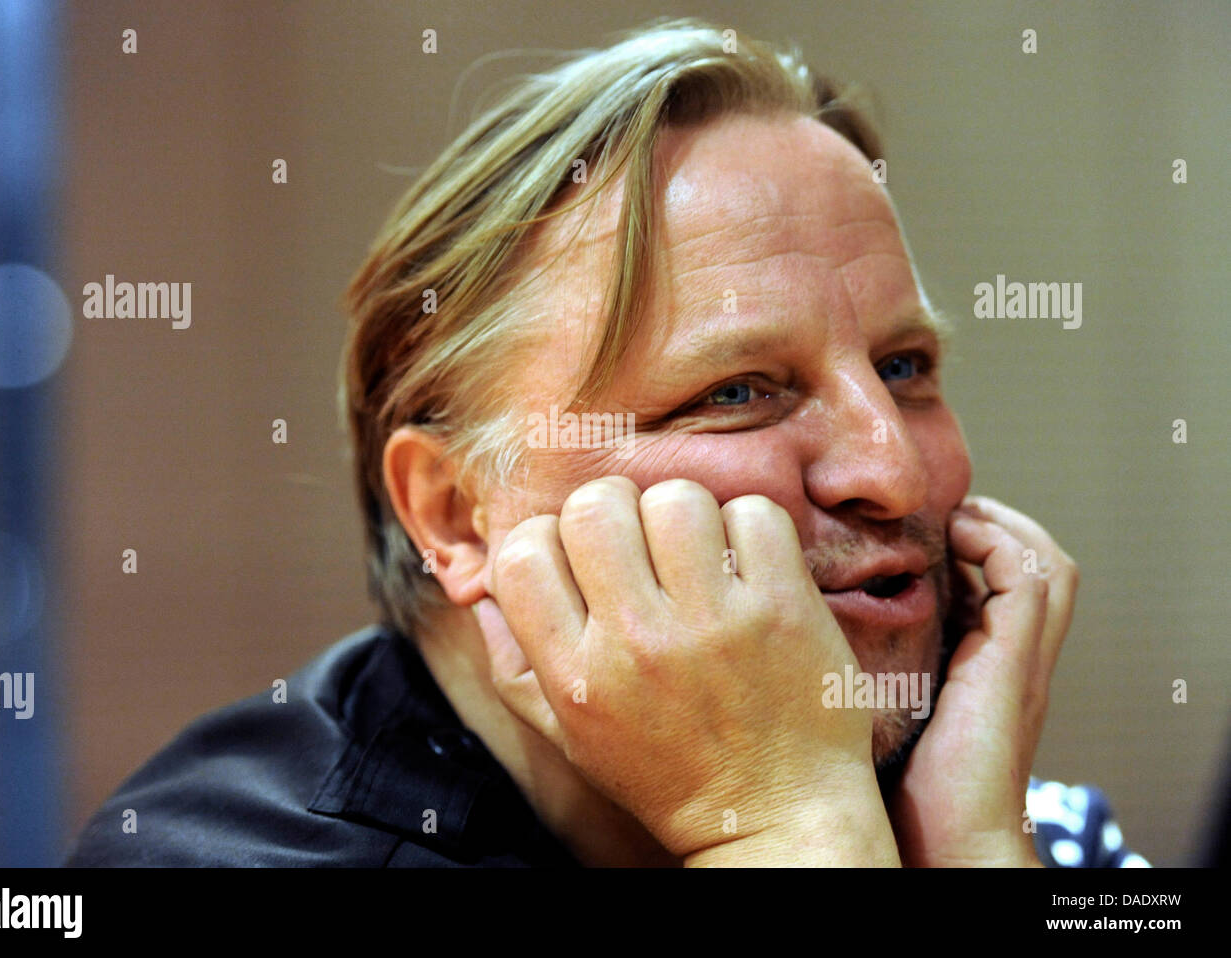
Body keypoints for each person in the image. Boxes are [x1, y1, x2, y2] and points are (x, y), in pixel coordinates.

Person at [65, 18, 1146, 867]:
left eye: (903, 369)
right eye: (737, 391)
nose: (895, 471)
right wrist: (783, 834)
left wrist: (972, 851)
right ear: (455, 512)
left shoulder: (1013, 816)